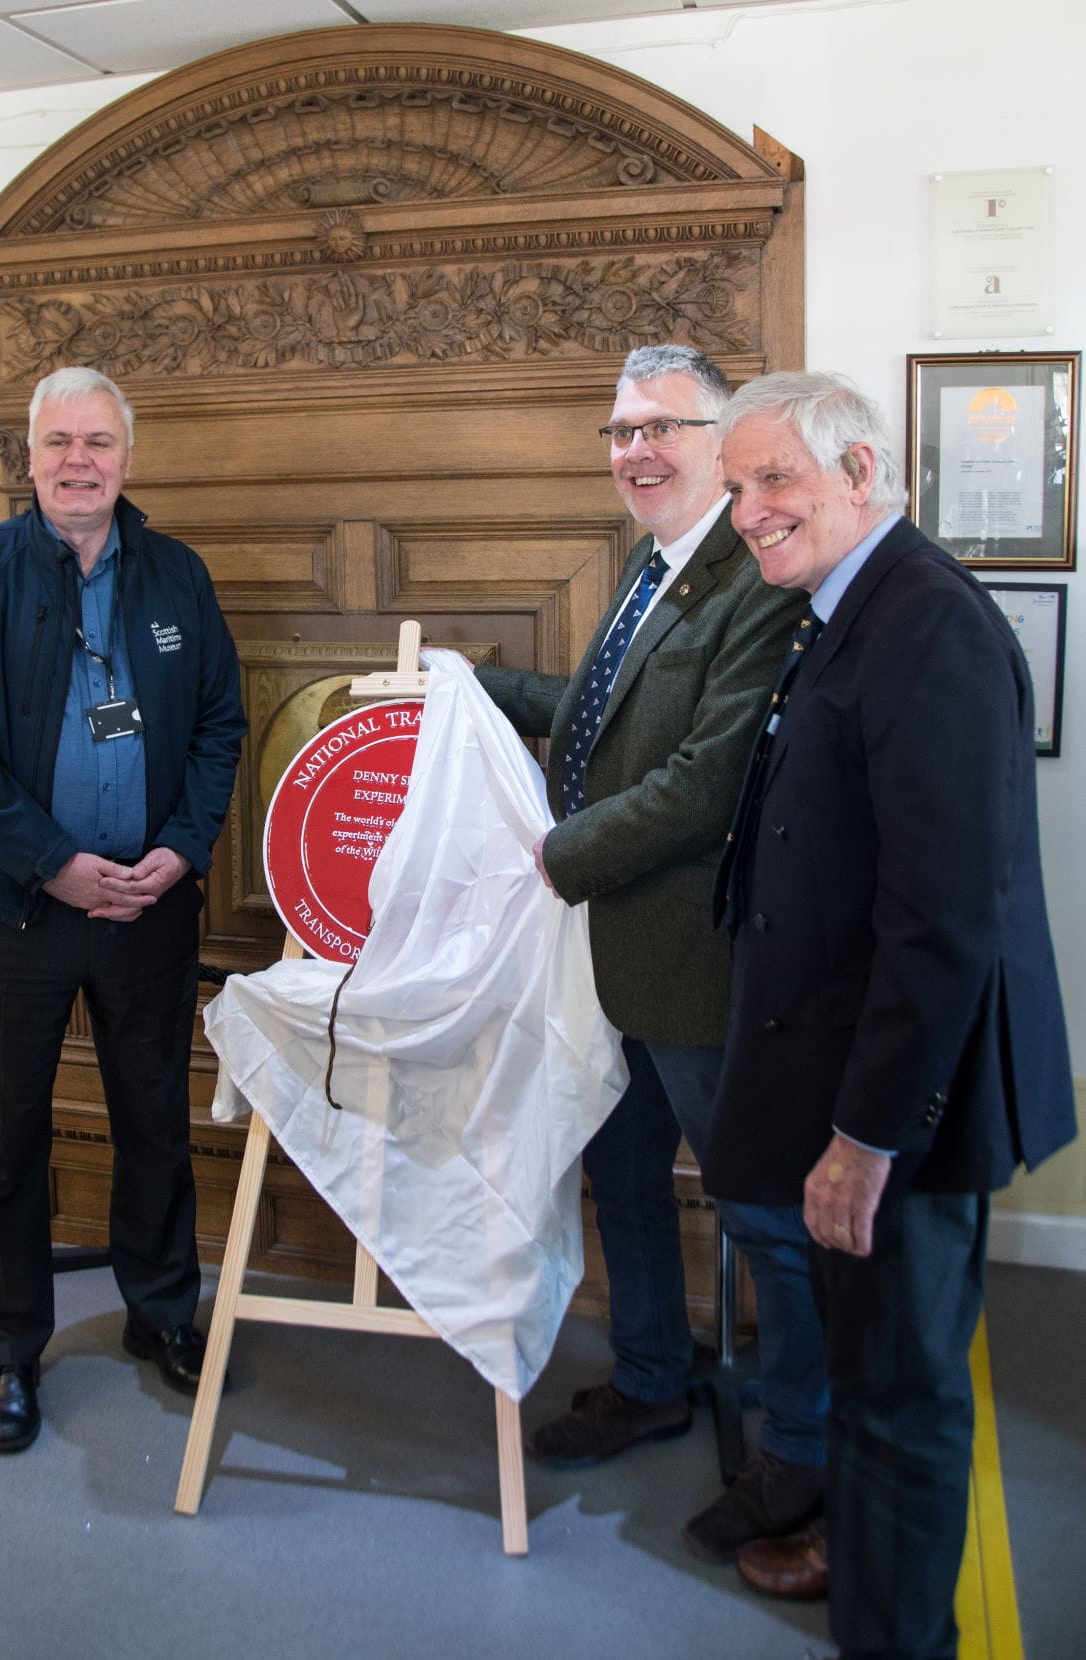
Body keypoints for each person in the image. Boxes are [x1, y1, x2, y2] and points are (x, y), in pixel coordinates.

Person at [709, 371, 1075, 1654]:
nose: (748, 511)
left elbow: (943, 919)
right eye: (739, 486)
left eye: (776, 483)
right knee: (870, 1389)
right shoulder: (844, 608)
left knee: (903, 1404)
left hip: (904, 1107)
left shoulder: (926, 623)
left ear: (861, 474)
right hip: (854, 1083)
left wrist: (867, 1137)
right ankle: (871, 1584)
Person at [477, 344, 830, 1562]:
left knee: (763, 1216)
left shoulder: (761, 575)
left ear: (720, 442)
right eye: (620, 431)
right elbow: (607, 718)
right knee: (620, 1178)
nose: (635, 451)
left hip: (696, 963)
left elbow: (707, 780)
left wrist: (558, 856)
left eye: (660, 429)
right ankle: (649, 1375)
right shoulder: (651, 565)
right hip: (606, 960)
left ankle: (797, 1459)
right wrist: (482, 687)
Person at [0, 366, 247, 1455]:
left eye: (97, 442)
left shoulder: (178, 576)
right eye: (57, 442)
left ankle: (162, 1314)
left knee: (156, 1120)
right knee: (5, 1140)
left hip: (147, 905)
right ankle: (9, 1354)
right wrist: (51, 861)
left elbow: (218, 727)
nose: (77, 461)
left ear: (127, 458)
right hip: (15, 909)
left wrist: (181, 849)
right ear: (29, 457)